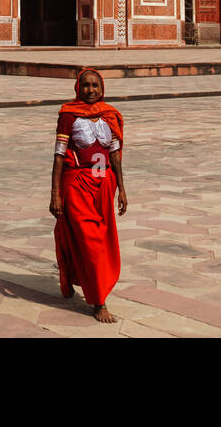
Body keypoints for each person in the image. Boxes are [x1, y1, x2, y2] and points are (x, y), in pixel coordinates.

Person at [51, 68, 127, 323]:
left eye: (95, 85)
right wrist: (56, 194)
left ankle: (75, 277)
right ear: (77, 88)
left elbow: (115, 154)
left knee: (101, 241)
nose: (90, 90)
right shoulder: (68, 115)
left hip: (105, 185)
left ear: (102, 88)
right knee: (90, 241)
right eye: (85, 85)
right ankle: (98, 301)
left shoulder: (110, 115)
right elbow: (59, 157)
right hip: (77, 185)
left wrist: (122, 190)